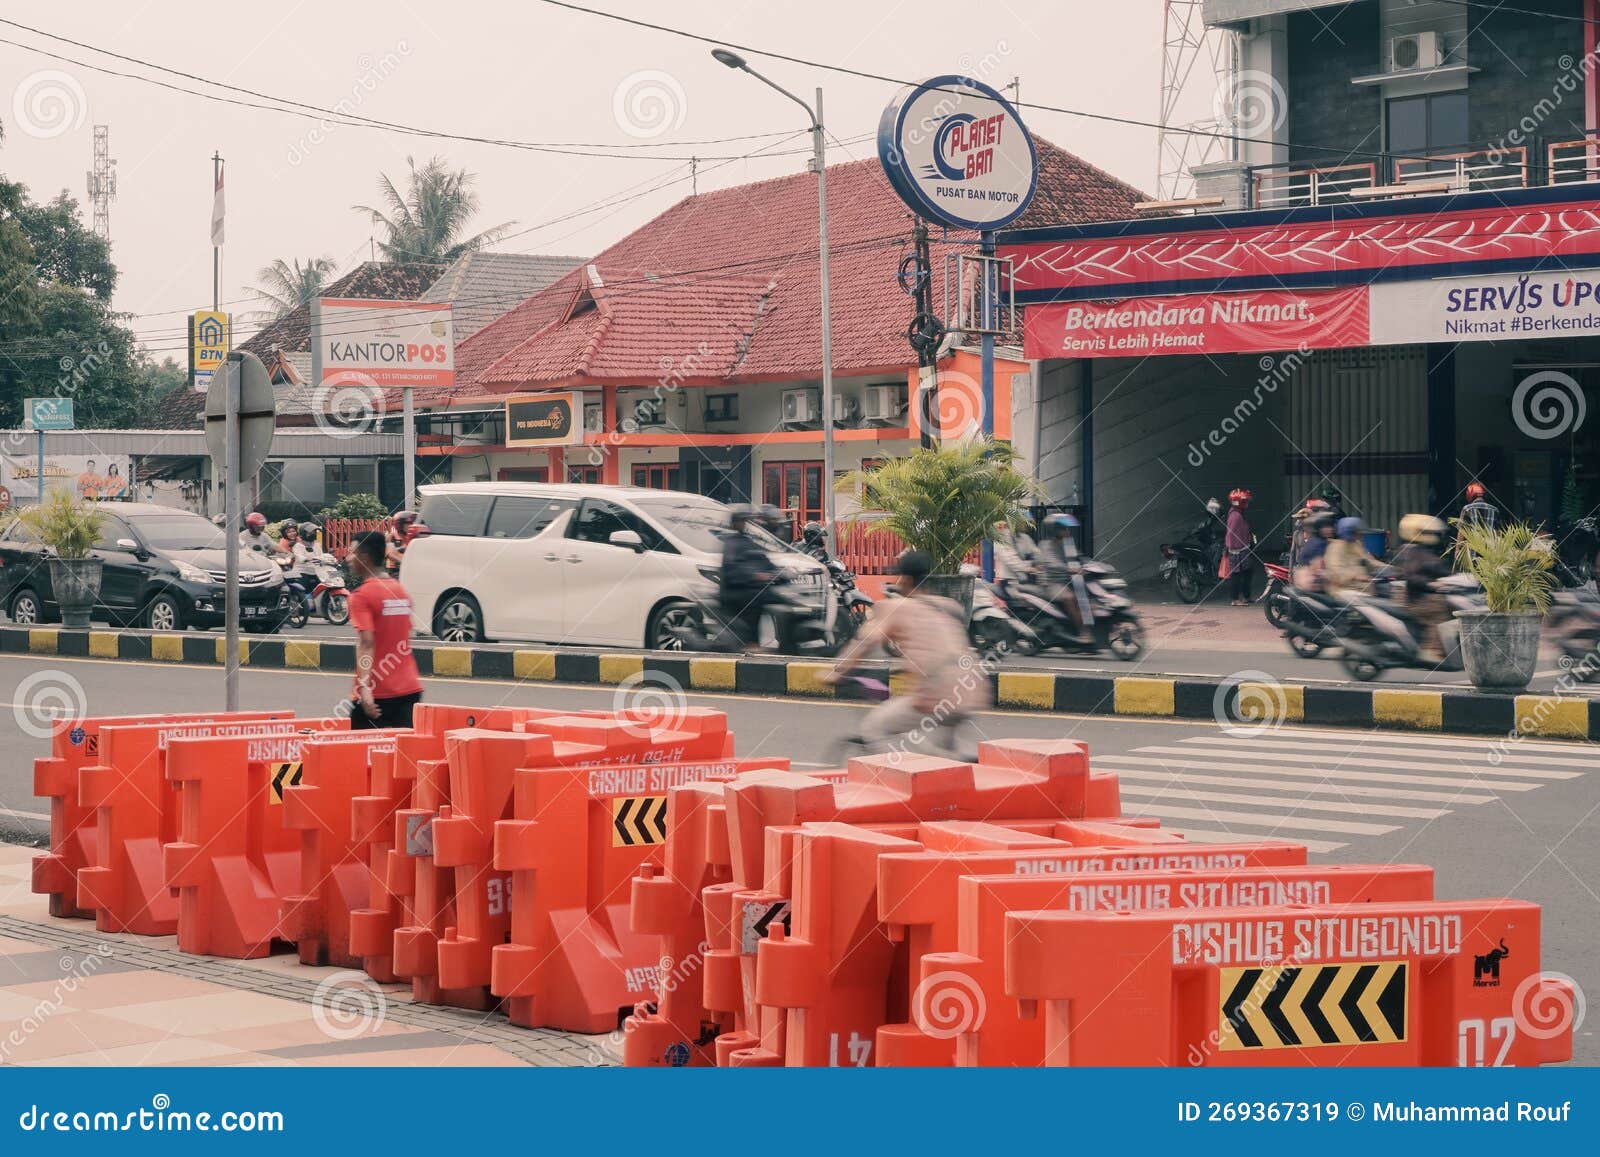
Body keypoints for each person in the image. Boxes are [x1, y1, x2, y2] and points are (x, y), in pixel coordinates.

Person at [822, 549, 990, 758]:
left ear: (907, 579)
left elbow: (864, 642)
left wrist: (837, 672)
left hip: (936, 694)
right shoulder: (949, 606)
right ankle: (961, 764)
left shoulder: (894, 608)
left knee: (873, 729)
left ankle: (892, 782)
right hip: (971, 690)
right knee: (945, 751)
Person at [345, 530, 422, 729]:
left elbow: (367, 643)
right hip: (409, 689)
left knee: (362, 756)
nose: (348, 558)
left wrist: (364, 687)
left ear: (365, 557)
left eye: (351, 552)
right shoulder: (399, 591)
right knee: (400, 756)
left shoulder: (361, 596)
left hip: (378, 695)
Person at [719, 505, 783, 648]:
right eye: (743, 521)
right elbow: (733, 569)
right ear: (735, 523)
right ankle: (751, 642)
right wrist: (756, 576)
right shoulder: (731, 543)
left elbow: (763, 559)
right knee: (754, 601)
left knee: (773, 596)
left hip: (750, 589)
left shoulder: (748, 541)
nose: (746, 524)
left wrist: (780, 572)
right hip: (735, 592)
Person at [1393, 514, 1451, 661]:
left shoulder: (1423, 550)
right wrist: (1431, 584)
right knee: (1438, 609)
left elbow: (1439, 569)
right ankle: (1432, 650)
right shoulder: (1410, 551)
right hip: (1415, 598)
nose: (1435, 536)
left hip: (1423, 594)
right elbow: (1411, 577)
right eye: (1430, 532)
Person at [1036, 512, 1094, 643]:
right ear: (1055, 530)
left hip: (1066, 581)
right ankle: (1082, 632)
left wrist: (1091, 564)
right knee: (1070, 598)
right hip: (1051, 583)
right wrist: (1070, 569)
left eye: (1067, 529)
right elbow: (1052, 563)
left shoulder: (1068, 543)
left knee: (1087, 596)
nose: (1067, 531)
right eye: (1064, 529)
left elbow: (1079, 557)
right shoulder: (1045, 545)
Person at [1324, 516, 1382, 598]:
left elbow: (1370, 560)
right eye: (1357, 533)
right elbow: (1336, 570)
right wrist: (1356, 576)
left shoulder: (1356, 545)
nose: (1361, 536)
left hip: (1362, 589)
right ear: (1349, 532)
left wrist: (1389, 568)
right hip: (1344, 591)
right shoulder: (1335, 547)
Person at [1221, 489, 1254, 606]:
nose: (1248, 503)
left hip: (1243, 549)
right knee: (1236, 576)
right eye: (1245, 501)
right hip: (1237, 552)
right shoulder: (1235, 516)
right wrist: (1233, 549)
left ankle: (1246, 596)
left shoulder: (1238, 513)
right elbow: (1231, 534)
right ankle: (1235, 599)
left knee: (1247, 573)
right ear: (1240, 502)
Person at [1293, 512, 1336, 591]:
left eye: (1331, 526)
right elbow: (1319, 567)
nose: (1330, 529)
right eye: (1325, 527)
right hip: (1311, 582)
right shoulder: (1318, 544)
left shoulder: (1322, 541)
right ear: (1318, 528)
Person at [385, 510, 418, 575]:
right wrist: (403, 560)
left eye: (412, 524)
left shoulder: (414, 537)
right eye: (408, 524)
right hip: (395, 570)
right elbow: (390, 554)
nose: (411, 526)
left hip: (411, 568)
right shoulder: (392, 536)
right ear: (399, 525)